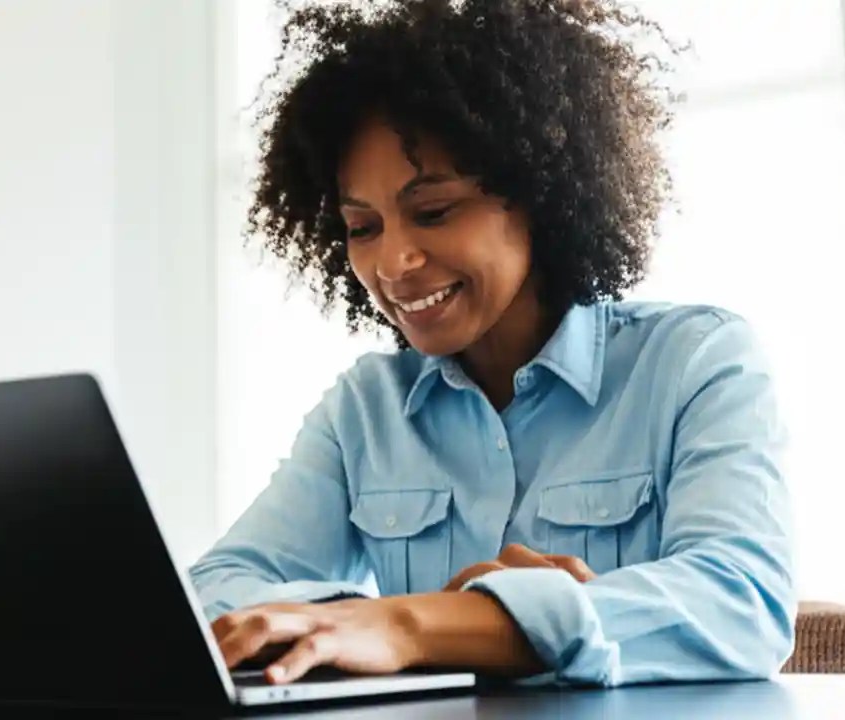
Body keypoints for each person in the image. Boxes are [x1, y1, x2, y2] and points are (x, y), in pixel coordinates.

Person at [191, 0, 795, 688]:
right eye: (363, 227)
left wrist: (416, 626)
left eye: (434, 212)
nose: (392, 262)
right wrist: (359, 621)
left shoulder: (694, 362)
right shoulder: (366, 410)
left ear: (540, 192)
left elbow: (742, 601)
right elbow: (219, 588)